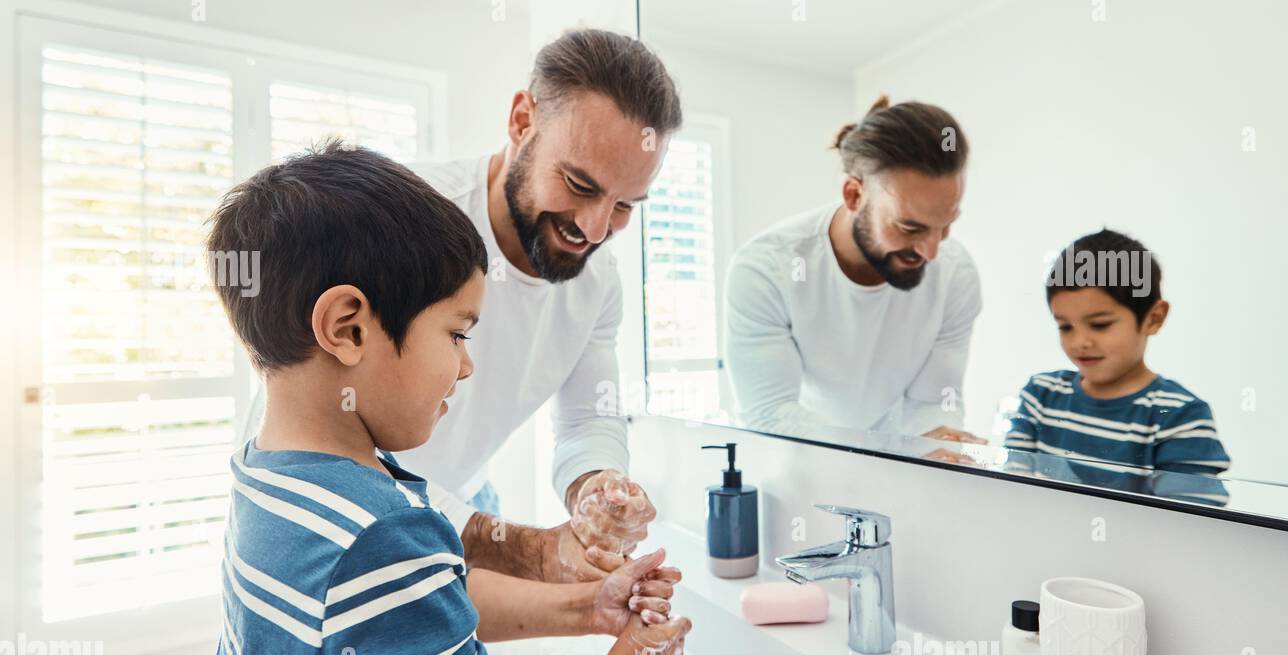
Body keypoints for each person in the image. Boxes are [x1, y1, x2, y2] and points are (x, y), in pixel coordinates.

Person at [194, 142, 691, 655]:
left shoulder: (267, 477)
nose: (467, 366)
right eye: (457, 334)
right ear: (347, 328)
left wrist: (587, 609)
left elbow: (404, 615)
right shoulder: (386, 537)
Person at [238, 29, 684, 586]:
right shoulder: (403, 226)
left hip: (467, 499)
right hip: (349, 518)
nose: (594, 229)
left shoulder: (600, 282)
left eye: (624, 206)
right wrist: (532, 553)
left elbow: (588, 416)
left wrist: (598, 488)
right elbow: (318, 441)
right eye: (578, 184)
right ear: (522, 120)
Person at [723, 95, 985, 446]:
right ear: (853, 194)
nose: (932, 251)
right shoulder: (765, 270)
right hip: (799, 460)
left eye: (946, 225)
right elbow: (771, 412)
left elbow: (933, 401)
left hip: (900, 465)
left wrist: (940, 447)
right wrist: (892, 450)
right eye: (910, 228)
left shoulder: (957, 275)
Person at [1005, 228, 1231, 476]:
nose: (1079, 342)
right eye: (1065, 326)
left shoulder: (1180, 417)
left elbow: (1185, 513)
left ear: (1153, 318)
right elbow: (1014, 491)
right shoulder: (1041, 396)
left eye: (1100, 325)